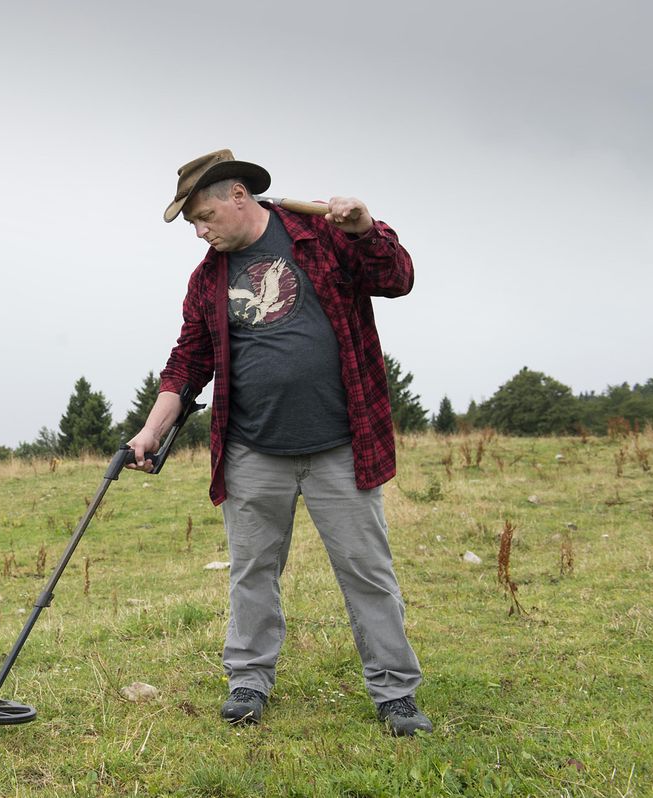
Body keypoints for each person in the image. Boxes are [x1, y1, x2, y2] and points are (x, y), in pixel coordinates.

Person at [126, 149, 432, 736]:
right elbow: (188, 361)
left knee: (366, 572)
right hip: (251, 451)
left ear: (239, 195)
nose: (200, 231)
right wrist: (150, 432)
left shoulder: (322, 235)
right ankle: (248, 682)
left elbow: (396, 278)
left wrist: (365, 227)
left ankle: (395, 693)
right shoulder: (208, 278)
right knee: (252, 573)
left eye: (204, 215)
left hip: (340, 446)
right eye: (192, 223)